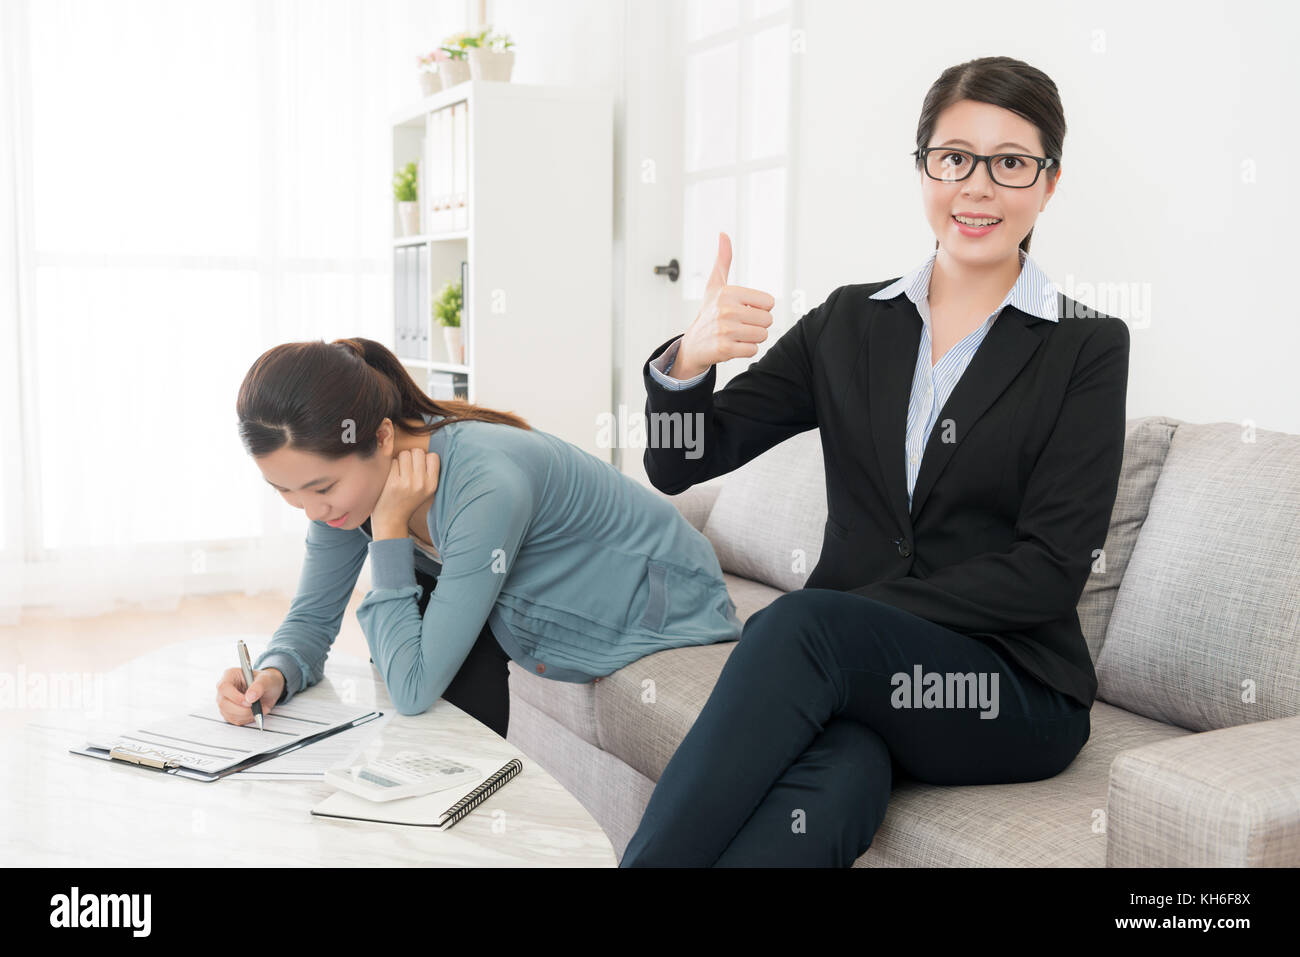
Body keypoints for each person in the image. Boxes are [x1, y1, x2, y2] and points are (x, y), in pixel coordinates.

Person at [621, 55, 1130, 866]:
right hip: (866, 677)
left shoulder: (1087, 346)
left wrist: (859, 616)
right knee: (840, 781)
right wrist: (688, 359)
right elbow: (685, 461)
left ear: (1049, 182)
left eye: (1011, 162)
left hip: (1007, 686)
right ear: (924, 165)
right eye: (954, 156)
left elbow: (1047, 573)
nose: (977, 186)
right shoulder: (849, 323)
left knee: (801, 625)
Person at [215, 336, 742, 739]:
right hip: (530, 591)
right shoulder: (342, 495)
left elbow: (414, 688)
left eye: (321, 487)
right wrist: (273, 674)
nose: (311, 509)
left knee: (422, 627)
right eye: (285, 491)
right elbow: (311, 618)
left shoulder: (485, 485)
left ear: (380, 436)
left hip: (668, 599)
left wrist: (391, 529)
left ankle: (457, 815)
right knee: (421, 612)